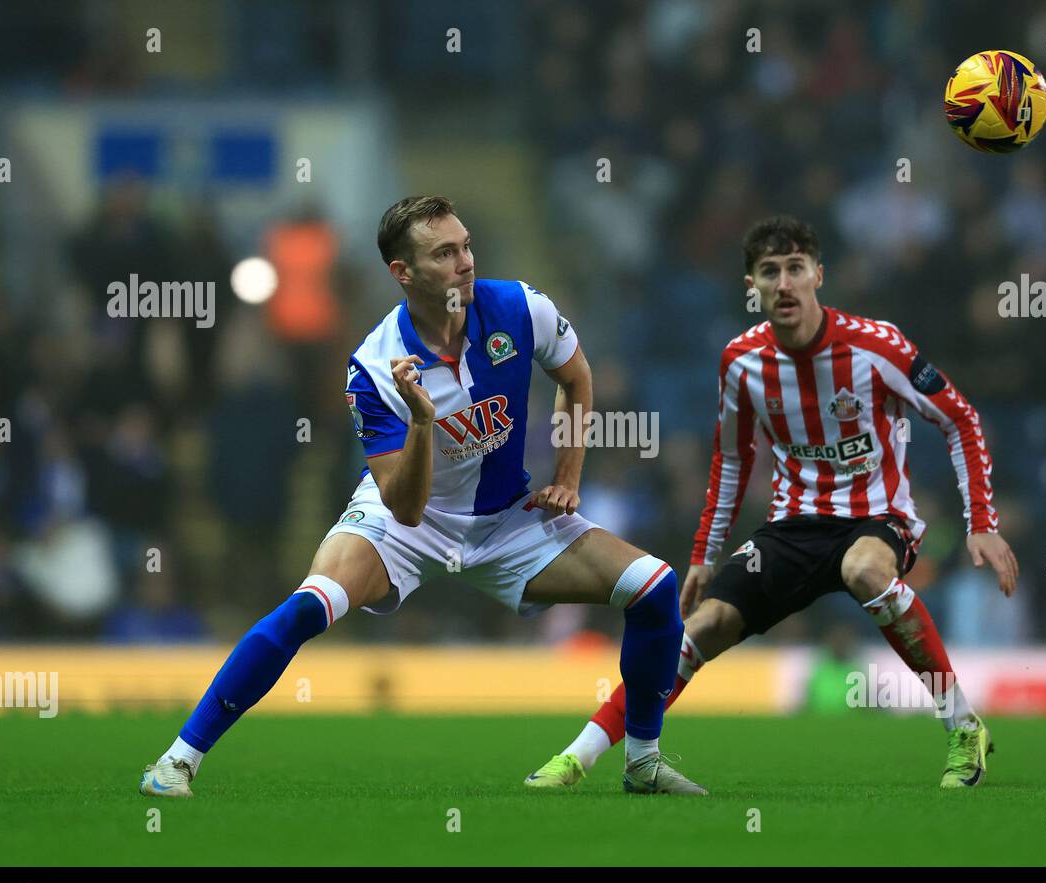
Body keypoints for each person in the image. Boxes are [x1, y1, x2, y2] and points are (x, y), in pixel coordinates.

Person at [139, 196, 705, 798]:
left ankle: (642, 763)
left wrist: (568, 475)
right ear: (402, 272)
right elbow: (404, 507)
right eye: (444, 253)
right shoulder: (376, 366)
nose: (464, 263)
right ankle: (177, 760)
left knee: (654, 587)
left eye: (465, 246)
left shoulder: (520, 307)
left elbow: (576, 375)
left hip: (507, 519)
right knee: (310, 605)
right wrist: (419, 424)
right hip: (405, 523)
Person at [525, 215, 1018, 790]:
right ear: (751, 288)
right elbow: (730, 461)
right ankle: (579, 757)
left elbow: (959, 418)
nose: (783, 283)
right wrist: (706, 555)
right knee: (701, 629)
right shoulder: (741, 361)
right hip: (791, 528)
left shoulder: (876, 345)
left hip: (876, 518)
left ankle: (962, 725)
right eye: (768, 272)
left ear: (817, 275)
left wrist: (981, 522)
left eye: (794, 268)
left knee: (864, 568)